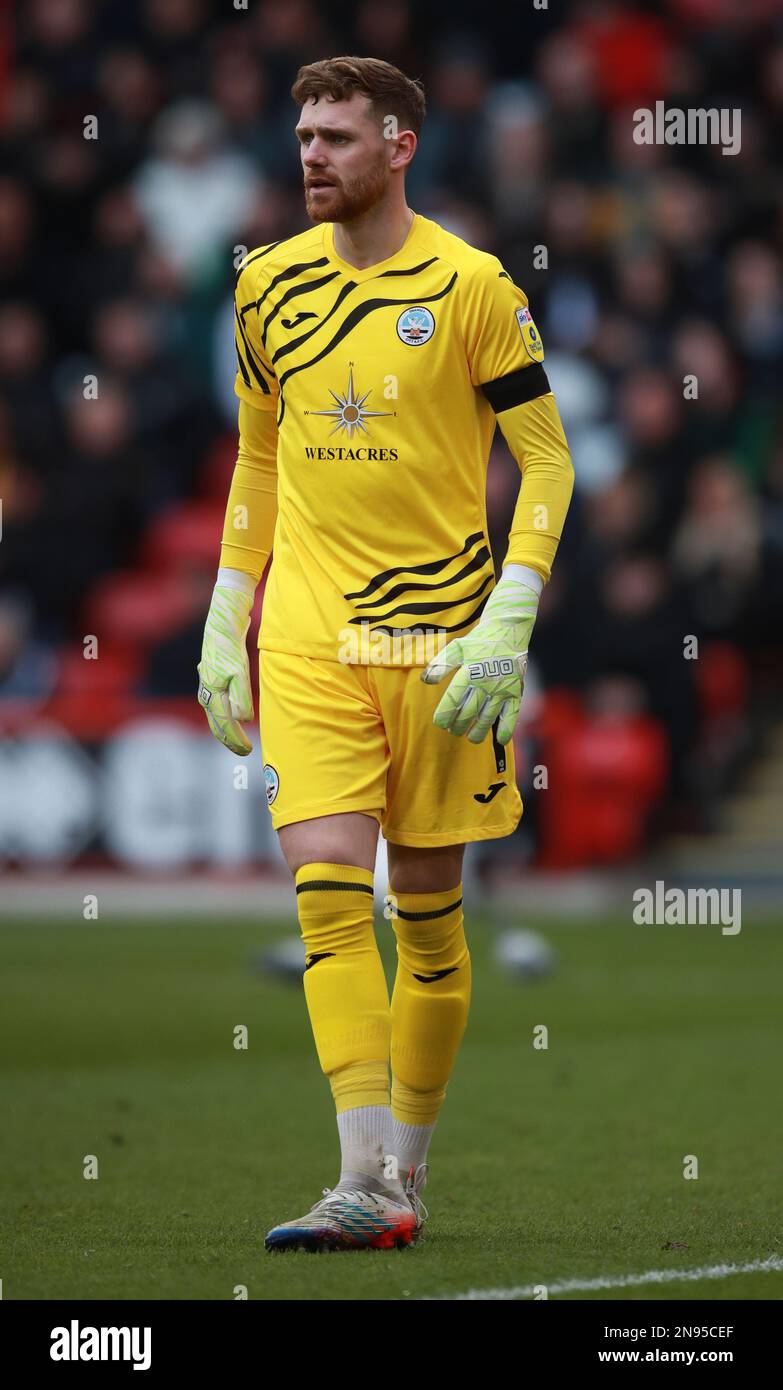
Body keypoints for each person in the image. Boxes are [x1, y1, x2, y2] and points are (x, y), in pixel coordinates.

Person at [197, 56, 574, 1252]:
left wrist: (511, 612)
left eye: (339, 137)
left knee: (428, 920)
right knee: (323, 896)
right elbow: (259, 457)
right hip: (311, 636)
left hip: (439, 644)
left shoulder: (471, 287)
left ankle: (406, 1169)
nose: (311, 154)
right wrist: (228, 608)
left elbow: (550, 462)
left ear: (400, 145)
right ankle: (361, 1175)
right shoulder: (265, 286)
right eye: (303, 133)